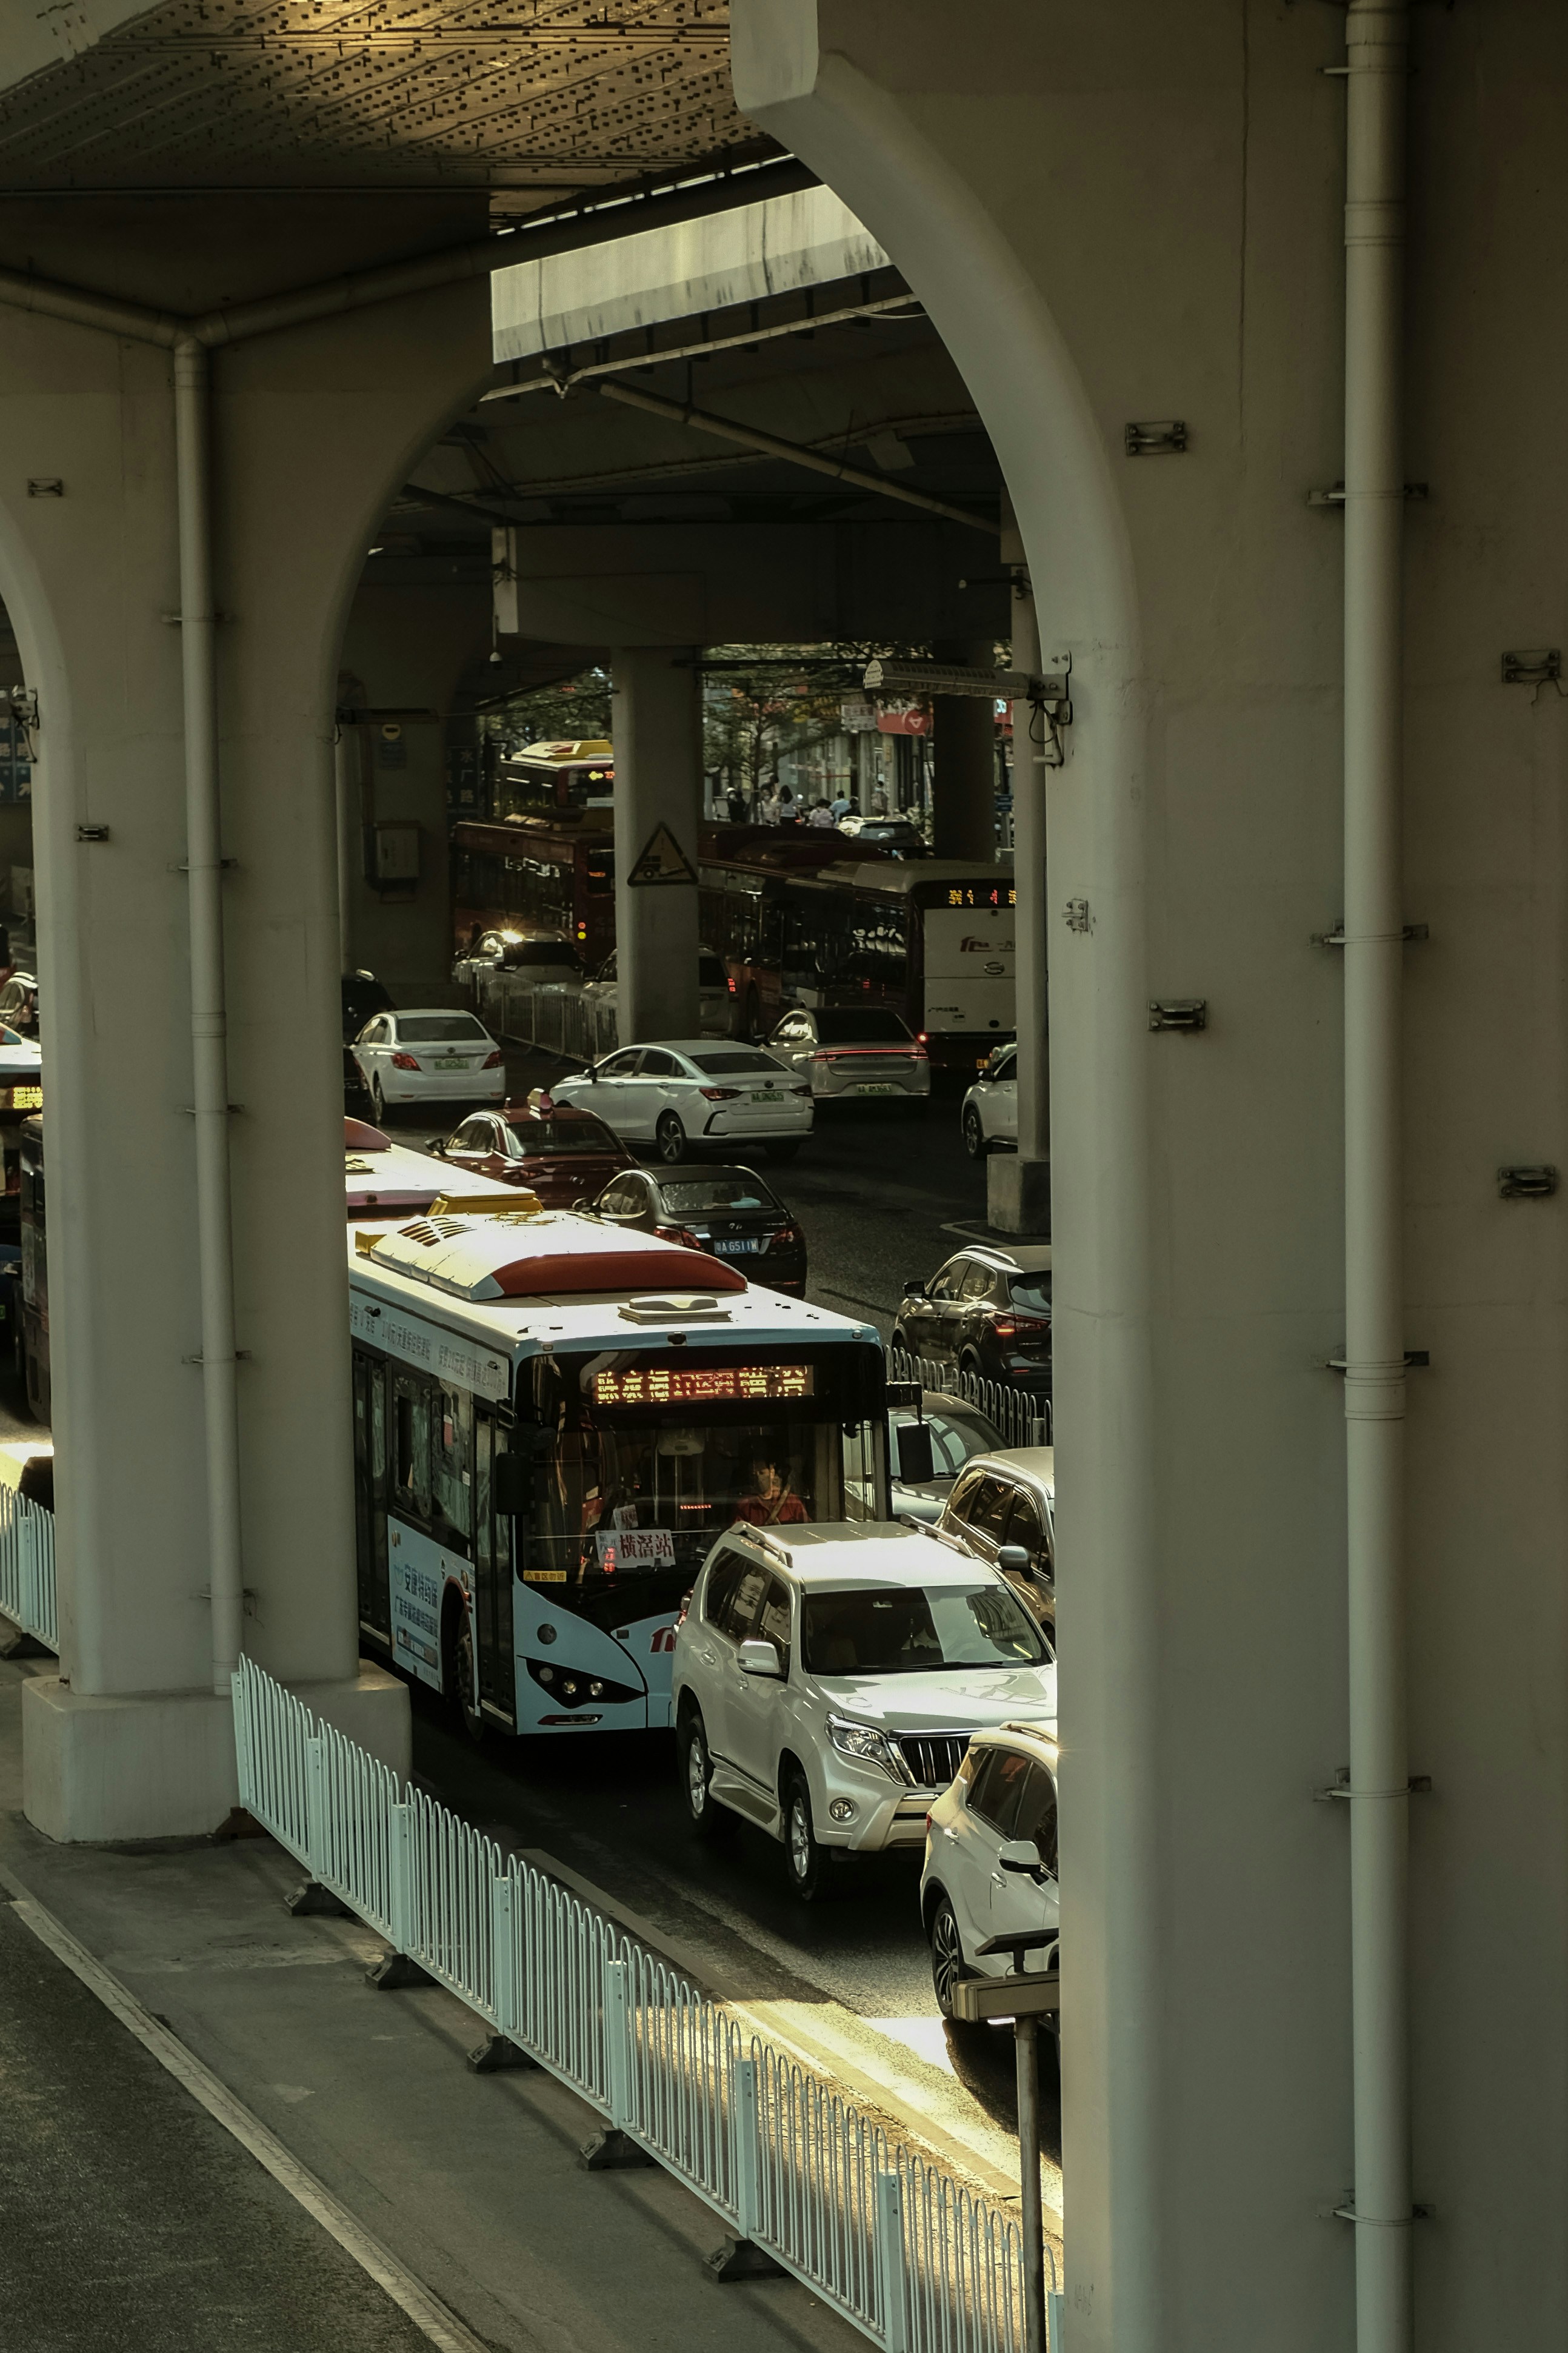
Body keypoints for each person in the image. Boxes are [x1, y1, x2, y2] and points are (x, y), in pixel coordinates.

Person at [731, 1458, 809, 1527]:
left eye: (762, 1473)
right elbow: (737, 1534)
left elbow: (806, 1528)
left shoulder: (791, 1502)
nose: (758, 1478)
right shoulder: (745, 1506)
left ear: (772, 1473)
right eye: (753, 1475)